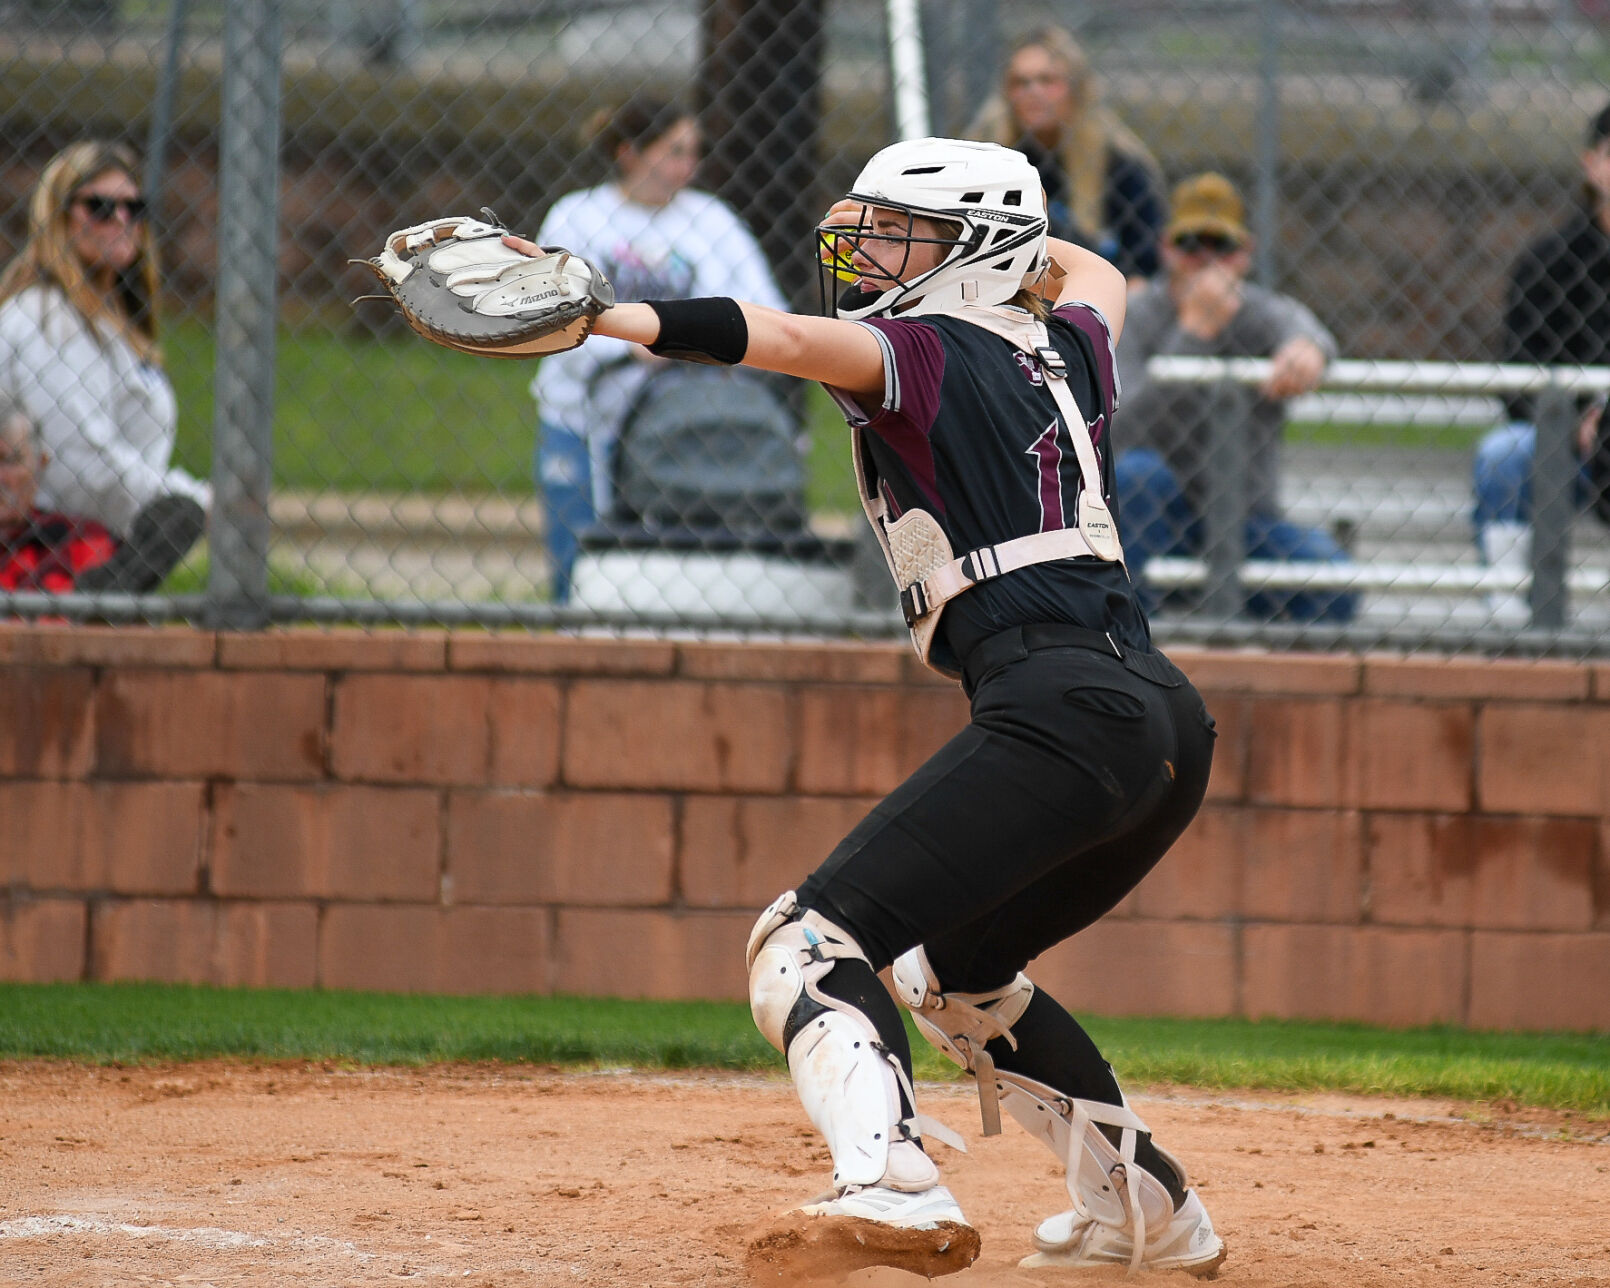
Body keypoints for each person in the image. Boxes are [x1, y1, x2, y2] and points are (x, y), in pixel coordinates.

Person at [506, 137, 1226, 1279]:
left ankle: (890, 1181)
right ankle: (1149, 1209)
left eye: (903, 234)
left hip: (1063, 705)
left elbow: (780, 339)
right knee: (955, 971)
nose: (871, 250)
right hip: (1162, 717)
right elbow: (1098, 273)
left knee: (805, 945)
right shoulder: (1070, 343)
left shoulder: (923, 348)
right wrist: (1023, 251)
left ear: (977, 252)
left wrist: (607, 316)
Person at [529, 94, 788, 601]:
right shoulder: (578, 216)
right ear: (628, 153)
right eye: (673, 151)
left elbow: (765, 309)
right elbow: (549, 315)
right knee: (576, 563)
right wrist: (630, 347)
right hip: (583, 418)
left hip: (679, 422)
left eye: (693, 152)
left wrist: (698, 344)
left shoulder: (712, 219)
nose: (688, 165)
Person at [1114, 171, 1355, 623]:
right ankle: (1127, 640)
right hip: (1157, 517)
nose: (1206, 262)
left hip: (1246, 521)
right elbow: (1124, 431)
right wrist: (1195, 332)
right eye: (1191, 245)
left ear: (1245, 253)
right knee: (1137, 473)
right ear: (1166, 248)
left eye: (1221, 247)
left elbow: (1301, 326)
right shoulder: (1135, 314)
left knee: (1334, 586)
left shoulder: (1258, 310)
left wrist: (1309, 347)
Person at [0, 139, 208, 590]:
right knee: (180, 517)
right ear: (59, 216)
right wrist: (194, 501)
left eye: (134, 208)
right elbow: (81, 466)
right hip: (42, 544)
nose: (121, 220)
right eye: (100, 207)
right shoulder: (45, 317)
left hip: (98, 542)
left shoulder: (109, 320)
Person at [1472, 97, 1610, 622]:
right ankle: (1511, 616)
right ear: (1591, 164)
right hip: (1569, 443)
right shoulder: (1550, 261)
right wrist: (1571, 423)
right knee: (1505, 454)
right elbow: (1517, 379)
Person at [967, 24, 1167, 282]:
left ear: (1076, 88)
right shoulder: (985, 159)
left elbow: (1144, 266)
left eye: (1047, 80)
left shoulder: (1118, 162)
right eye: (1020, 82)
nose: (1033, 92)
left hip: (1094, 292)